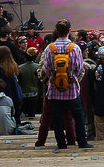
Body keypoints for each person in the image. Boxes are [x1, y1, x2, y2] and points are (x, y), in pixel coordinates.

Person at [42, 18, 91, 150]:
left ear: (56, 31)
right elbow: (80, 69)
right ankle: (82, 142)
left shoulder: (49, 48)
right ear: (69, 31)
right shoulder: (74, 48)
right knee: (78, 116)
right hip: (72, 90)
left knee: (57, 118)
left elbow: (46, 69)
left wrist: (54, 78)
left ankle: (61, 144)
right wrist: (73, 80)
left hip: (54, 90)